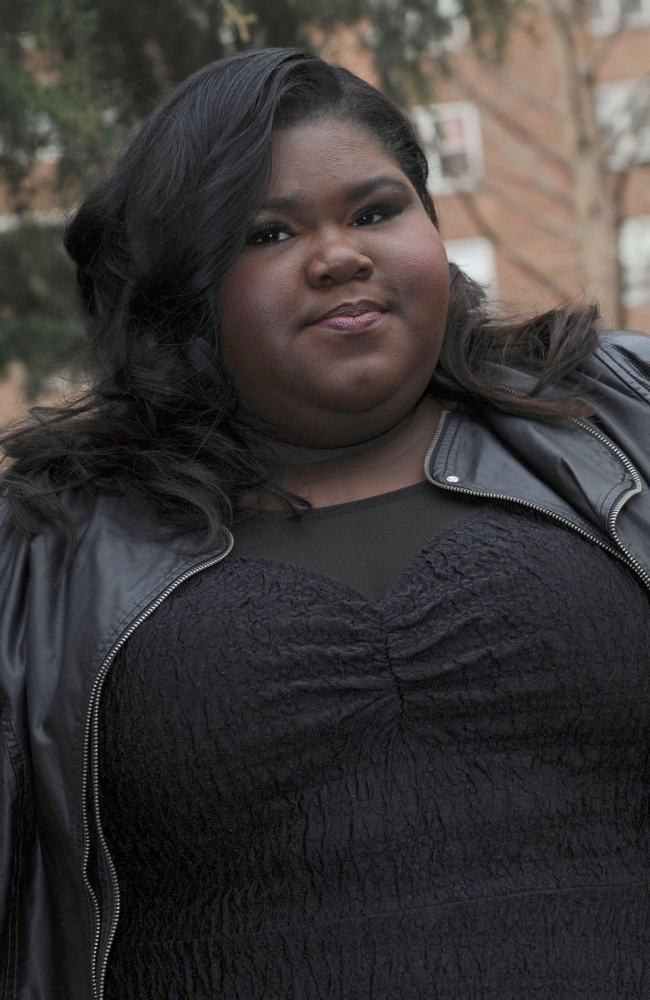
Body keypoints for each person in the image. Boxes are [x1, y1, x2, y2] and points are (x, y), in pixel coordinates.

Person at [1, 47, 650, 1000]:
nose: (341, 253)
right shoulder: (48, 551)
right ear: (183, 293)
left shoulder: (622, 421)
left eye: (377, 211)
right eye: (266, 234)